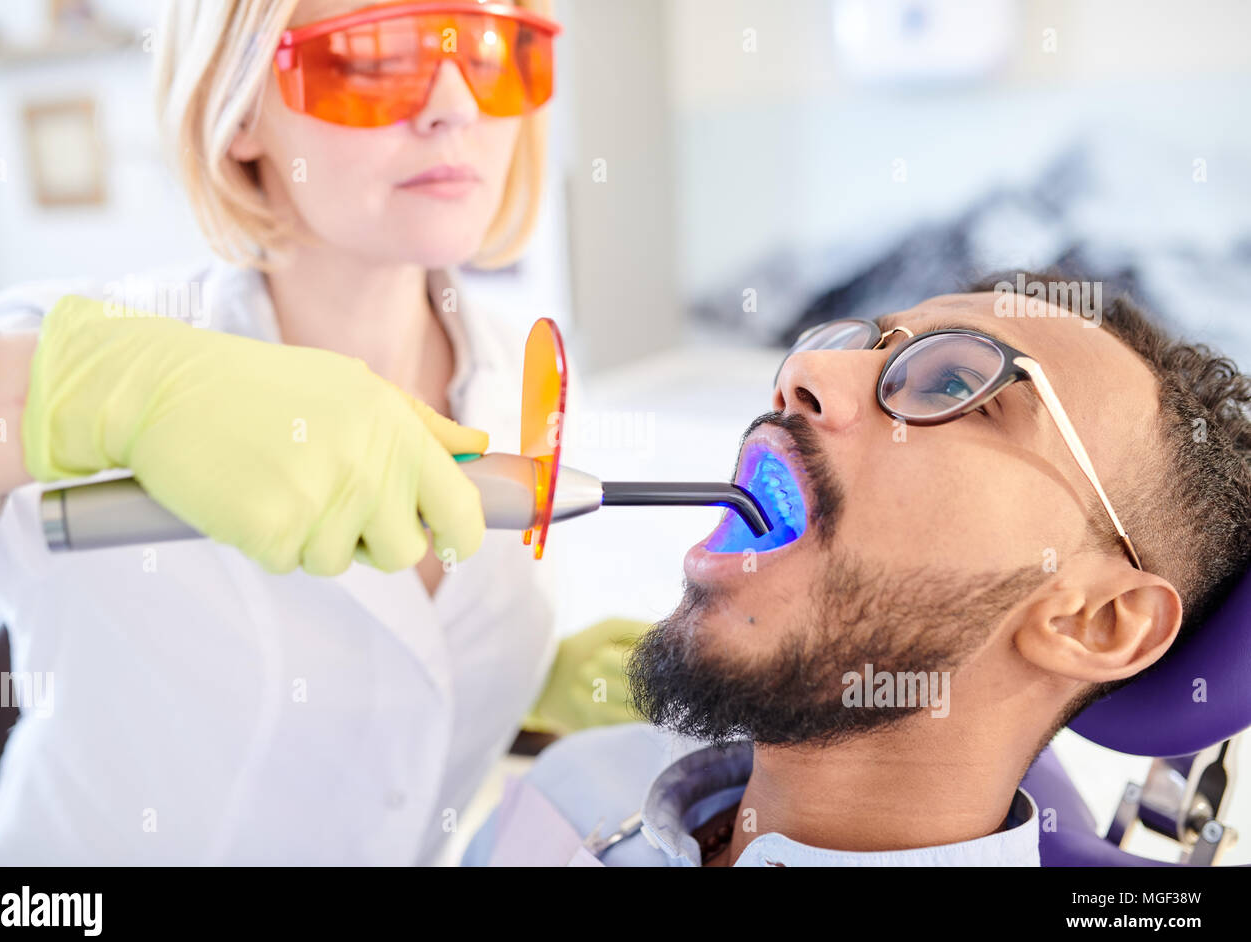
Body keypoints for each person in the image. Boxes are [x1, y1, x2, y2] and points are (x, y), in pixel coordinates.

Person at [0, 0, 576, 864]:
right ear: (241, 104)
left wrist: (522, 668)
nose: (454, 106)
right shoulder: (83, 348)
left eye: (489, 49)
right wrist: (101, 392)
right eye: (375, 54)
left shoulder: (527, 370)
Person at [463, 272, 1251, 866]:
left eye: (955, 385)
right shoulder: (574, 787)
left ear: (1096, 621)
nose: (803, 375)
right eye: (858, 344)